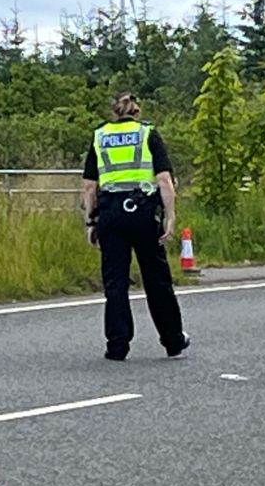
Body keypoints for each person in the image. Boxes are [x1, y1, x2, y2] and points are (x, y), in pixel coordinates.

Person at [81, 92, 190, 361]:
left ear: (114, 112)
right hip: (142, 211)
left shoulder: (100, 136)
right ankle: (173, 340)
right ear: (136, 111)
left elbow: (89, 187)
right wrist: (170, 216)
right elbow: (164, 180)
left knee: (115, 282)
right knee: (157, 279)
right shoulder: (147, 133)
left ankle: (117, 346)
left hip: (110, 214)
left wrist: (90, 222)